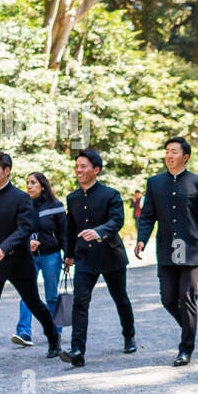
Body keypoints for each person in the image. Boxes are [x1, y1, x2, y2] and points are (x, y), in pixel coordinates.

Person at [0, 151, 60, 373]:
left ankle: (53, 337)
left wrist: (3, 248)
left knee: (34, 303)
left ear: (7, 170)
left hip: (19, 262)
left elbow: (25, 228)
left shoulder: (22, 198)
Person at [135, 137, 198, 367]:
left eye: (174, 151)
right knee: (167, 298)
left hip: (190, 248)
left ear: (185, 156)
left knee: (186, 298)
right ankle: (189, 326)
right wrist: (141, 240)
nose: (169, 155)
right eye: (166, 151)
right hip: (167, 248)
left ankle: (185, 348)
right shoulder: (154, 183)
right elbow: (147, 216)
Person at [59, 149, 136, 367]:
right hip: (84, 258)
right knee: (80, 302)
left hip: (111, 256)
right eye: (77, 166)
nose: (79, 170)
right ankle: (77, 350)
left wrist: (99, 232)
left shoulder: (110, 194)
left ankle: (129, 335)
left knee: (120, 298)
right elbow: (71, 228)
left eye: (83, 166)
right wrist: (69, 255)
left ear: (96, 170)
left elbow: (117, 221)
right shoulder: (72, 198)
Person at [12, 172, 66, 348]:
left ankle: (55, 331)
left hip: (51, 255)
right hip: (28, 257)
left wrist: (69, 255)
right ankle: (24, 332)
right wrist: (28, 242)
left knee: (51, 296)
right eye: (27, 183)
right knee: (27, 295)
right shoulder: (22, 206)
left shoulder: (55, 206)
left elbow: (63, 232)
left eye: (33, 183)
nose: (28, 186)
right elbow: (17, 231)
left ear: (42, 186)